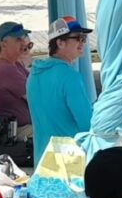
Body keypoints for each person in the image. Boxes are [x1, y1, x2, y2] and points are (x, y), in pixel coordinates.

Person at [26, 16, 94, 166]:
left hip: (42, 160)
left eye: (84, 38)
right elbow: (87, 125)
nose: (82, 42)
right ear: (60, 43)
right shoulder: (70, 77)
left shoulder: (34, 74)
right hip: (68, 163)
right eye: (78, 38)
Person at [0, 21, 32, 141]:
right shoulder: (5, 69)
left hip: (23, 128)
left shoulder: (14, 63)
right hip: (19, 132)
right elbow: (37, 97)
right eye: (18, 39)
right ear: (3, 43)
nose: (23, 43)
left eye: (23, 38)